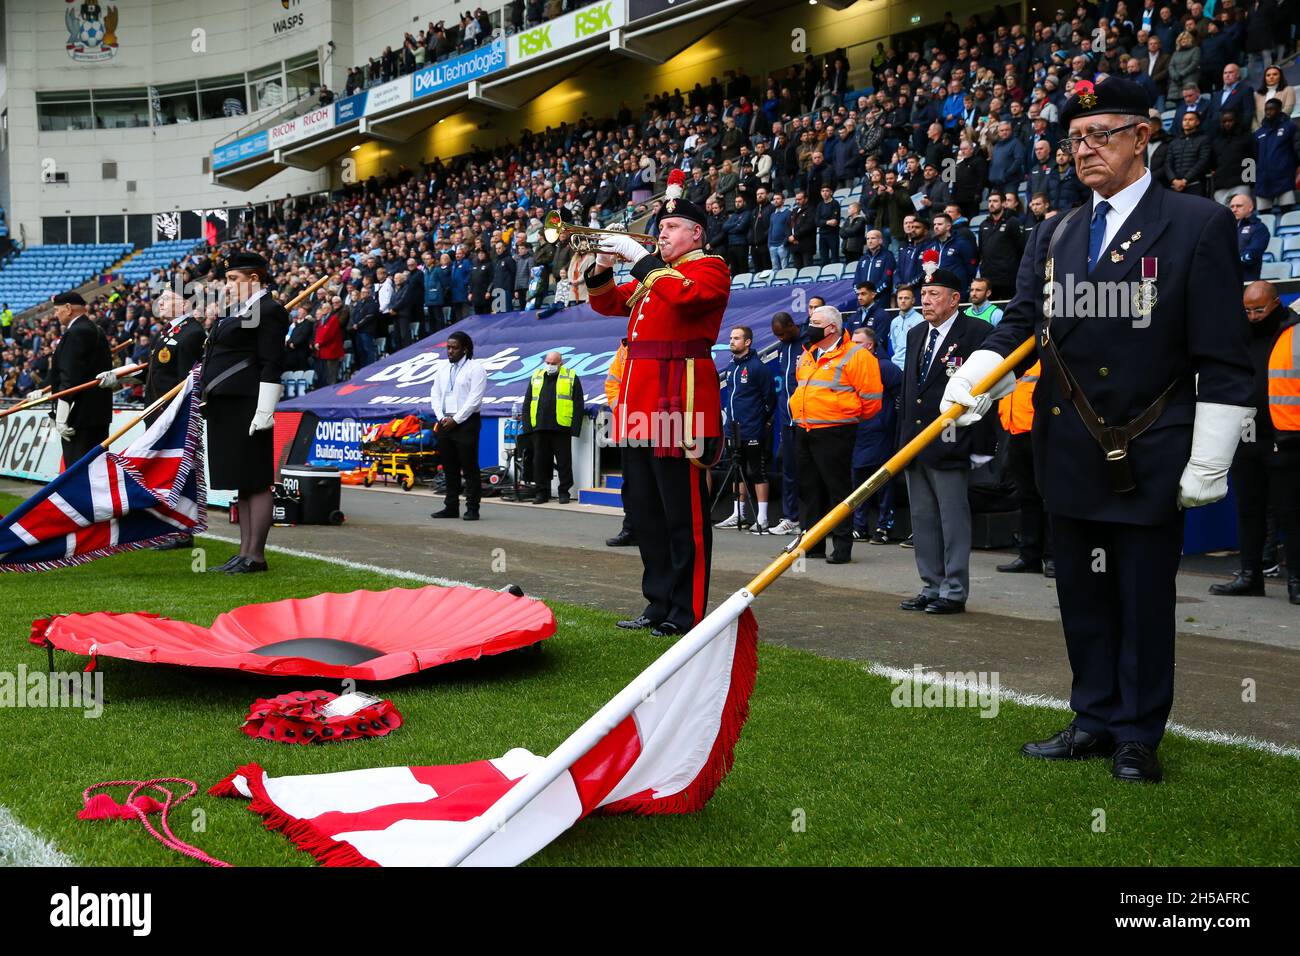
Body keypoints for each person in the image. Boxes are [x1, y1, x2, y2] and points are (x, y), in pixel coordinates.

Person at [941, 75, 1255, 783]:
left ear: (1144, 137)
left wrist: (1210, 456)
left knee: (1143, 598)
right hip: (1070, 442)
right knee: (1082, 592)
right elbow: (1023, 321)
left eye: (1101, 135)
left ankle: (1138, 733)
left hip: (1150, 443)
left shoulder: (1197, 223)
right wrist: (975, 374)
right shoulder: (1056, 231)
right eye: (1075, 138)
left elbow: (1223, 353)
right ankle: (1093, 715)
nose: (1083, 150)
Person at [585, 188, 730, 638]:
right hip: (639, 406)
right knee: (646, 511)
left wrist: (641, 259)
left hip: (680, 404)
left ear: (695, 233)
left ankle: (687, 612)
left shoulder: (710, 268)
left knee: (683, 515)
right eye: (660, 228)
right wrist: (604, 265)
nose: (661, 235)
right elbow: (606, 303)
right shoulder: (659, 276)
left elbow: (686, 298)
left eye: (669, 228)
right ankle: (658, 603)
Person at [897, 264, 992, 615]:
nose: (926, 301)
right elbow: (909, 392)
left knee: (952, 521)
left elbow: (985, 393)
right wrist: (903, 441)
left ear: (955, 300)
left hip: (953, 441)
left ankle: (953, 590)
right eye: (923, 295)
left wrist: (981, 446)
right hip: (916, 442)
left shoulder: (976, 332)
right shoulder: (916, 333)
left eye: (934, 294)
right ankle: (930, 584)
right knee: (922, 520)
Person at [1208, 281, 1300, 603]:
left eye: (1259, 310)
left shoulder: (1296, 333)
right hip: (1246, 436)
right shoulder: (1239, 336)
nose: (1253, 316)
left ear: (1276, 304)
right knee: (1249, 511)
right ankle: (1250, 576)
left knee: (1292, 513)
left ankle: (1297, 583)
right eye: (1247, 310)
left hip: (1286, 438)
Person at [199, 252, 289, 574]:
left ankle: (256, 555)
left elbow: (271, 363)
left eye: (234, 279)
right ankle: (243, 553)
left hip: (248, 403)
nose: (228, 285)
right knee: (242, 481)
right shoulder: (242, 311)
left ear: (255, 279)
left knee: (256, 480)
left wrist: (265, 410)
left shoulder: (270, 310)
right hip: (229, 404)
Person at [787, 305, 884, 564]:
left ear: (831, 328)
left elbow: (872, 400)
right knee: (809, 489)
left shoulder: (857, 356)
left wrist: (845, 416)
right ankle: (813, 544)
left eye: (815, 322)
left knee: (837, 489)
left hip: (836, 431)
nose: (810, 326)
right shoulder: (809, 354)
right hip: (805, 429)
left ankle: (842, 546)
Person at [996, 360, 1053, 576]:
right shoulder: (1014, 359)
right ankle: (1029, 555)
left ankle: (1052, 556)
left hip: (1040, 432)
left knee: (1047, 496)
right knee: (1026, 496)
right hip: (1015, 431)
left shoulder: (1044, 358)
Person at [717, 324, 776, 533]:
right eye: (731, 338)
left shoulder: (757, 367)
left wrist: (763, 421)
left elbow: (770, 398)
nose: (732, 341)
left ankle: (762, 517)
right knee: (736, 470)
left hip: (753, 429)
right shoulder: (731, 367)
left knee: (756, 471)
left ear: (747, 342)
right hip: (733, 428)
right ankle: (738, 513)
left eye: (736, 338)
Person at [48, 291, 112, 469]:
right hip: (97, 414)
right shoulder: (95, 329)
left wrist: (61, 415)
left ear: (68, 308)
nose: (55, 314)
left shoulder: (75, 332)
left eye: (57, 309)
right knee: (98, 472)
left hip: (79, 417)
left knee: (79, 473)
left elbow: (70, 376)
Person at [850, 325, 902, 544]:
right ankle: (859, 527)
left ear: (869, 346)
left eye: (857, 343)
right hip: (858, 433)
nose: (852, 347)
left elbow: (901, 399)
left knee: (882, 482)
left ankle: (883, 528)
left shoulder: (887, 368)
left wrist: (888, 424)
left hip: (880, 435)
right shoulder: (851, 367)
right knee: (859, 482)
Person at [429, 330, 487, 521]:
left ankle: (472, 508)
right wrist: (441, 417)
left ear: (465, 349)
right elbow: (435, 394)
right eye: (448, 347)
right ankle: (451, 506)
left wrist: (457, 419)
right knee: (449, 467)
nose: (450, 351)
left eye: (454, 348)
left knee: (469, 467)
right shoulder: (442, 369)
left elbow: (474, 399)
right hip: (445, 422)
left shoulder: (475, 368)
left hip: (466, 423)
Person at [521, 351, 584, 504]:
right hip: (539, 428)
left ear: (560, 363)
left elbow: (578, 403)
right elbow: (528, 402)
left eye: (553, 363)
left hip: (561, 427)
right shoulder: (536, 376)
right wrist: (527, 426)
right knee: (540, 462)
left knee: (564, 462)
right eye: (548, 363)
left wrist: (575, 428)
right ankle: (542, 493)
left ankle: (564, 492)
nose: (550, 366)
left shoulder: (570, 376)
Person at [768, 311, 803, 535]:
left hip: (807, 419)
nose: (780, 338)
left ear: (792, 326)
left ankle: (816, 518)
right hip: (787, 420)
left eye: (782, 333)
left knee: (811, 471)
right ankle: (791, 517)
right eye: (776, 335)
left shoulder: (809, 342)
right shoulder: (783, 348)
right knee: (788, 469)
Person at [604, 338, 637, 548]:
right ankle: (631, 529)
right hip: (631, 425)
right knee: (631, 483)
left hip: (659, 423)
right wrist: (622, 410)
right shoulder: (624, 349)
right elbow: (612, 383)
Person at [1230, 193, 1270, 282]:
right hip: (1227, 281)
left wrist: (1228, 262)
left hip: (1248, 282)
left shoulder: (1259, 228)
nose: (1234, 210)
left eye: (1239, 206)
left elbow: (1252, 254)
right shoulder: (1227, 227)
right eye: (1232, 207)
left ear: (1250, 208)